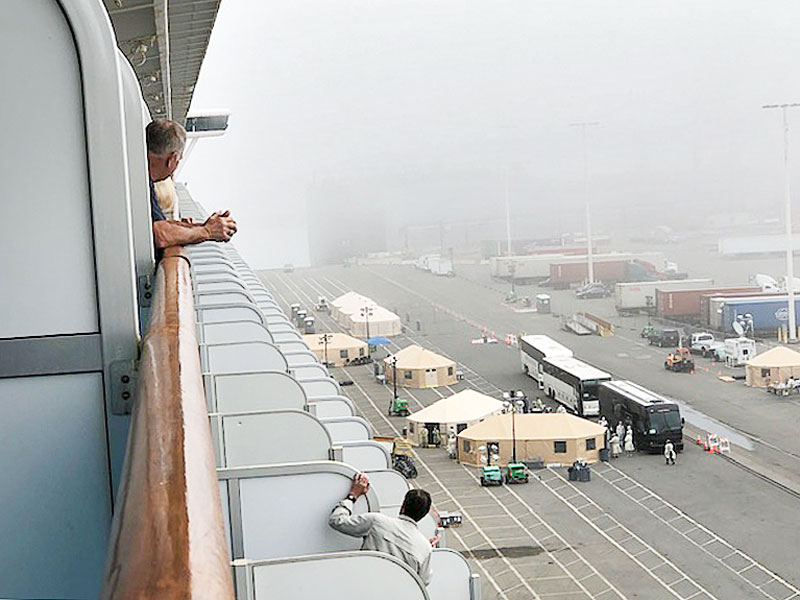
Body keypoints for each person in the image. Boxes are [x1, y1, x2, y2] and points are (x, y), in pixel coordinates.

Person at [146, 119, 237, 252]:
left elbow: (156, 223)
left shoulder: (137, 174)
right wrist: (208, 231)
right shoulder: (143, 185)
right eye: (178, 160)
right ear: (172, 159)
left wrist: (196, 227)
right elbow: (160, 234)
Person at [329, 473, 435, 585]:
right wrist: (422, 547)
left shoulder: (376, 521)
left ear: (403, 506)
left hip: (363, 585)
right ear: (423, 516)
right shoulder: (425, 548)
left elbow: (337, 521)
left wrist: (353, 495)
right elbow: (423, 582)